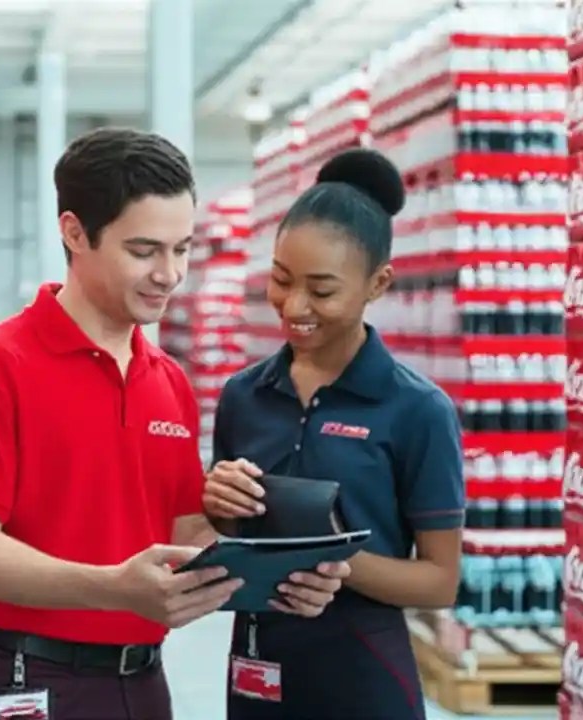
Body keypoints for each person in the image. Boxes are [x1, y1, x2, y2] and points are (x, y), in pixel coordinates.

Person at [0, 127, 352, 720]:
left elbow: (183, 537)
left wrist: (282, 575)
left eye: (182, 249)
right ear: (75, 232)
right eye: (144, 250)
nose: (170, 274)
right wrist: (112, 588)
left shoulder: (168, 382)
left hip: (142, 684)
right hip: (27, 682)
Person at [202, 148, 465, 719]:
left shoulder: (418, 410)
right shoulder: (243, 397)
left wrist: (333, 562)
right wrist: (216, 505)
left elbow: (439, 582)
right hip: (257, 669)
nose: (294, 306)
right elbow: (226, 536)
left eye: (321, 291)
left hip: (363, 675)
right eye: (280, 279)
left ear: (378, 284)